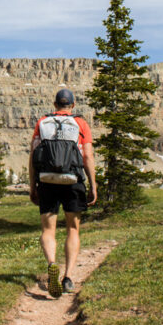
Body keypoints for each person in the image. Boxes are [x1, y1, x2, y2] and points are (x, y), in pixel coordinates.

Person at [29, 88, 97, 297]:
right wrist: (93, 185)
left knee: (48, 230)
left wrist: (33, 186)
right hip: (72, 180)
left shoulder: (42, 122)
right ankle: (67, 277)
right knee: (72, 229)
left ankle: (51, 263)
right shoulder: (80, 123)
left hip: (47, 181)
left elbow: (33, 156)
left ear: (55, 104)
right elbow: (87, 156)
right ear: (72, 105)